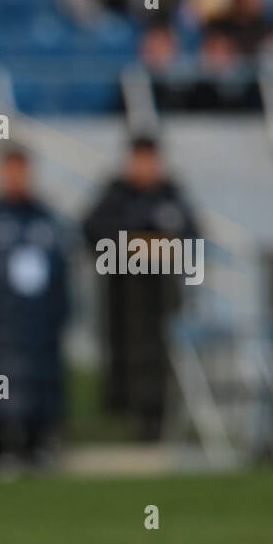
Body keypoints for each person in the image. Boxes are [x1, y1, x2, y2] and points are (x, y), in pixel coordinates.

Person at [82, 135, 199, 441]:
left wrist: (137, 244)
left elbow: (190, 238)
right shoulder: (116, 194)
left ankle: (161, 422)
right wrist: (147, 244)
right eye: (139, 159)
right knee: (126, 360)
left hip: (162, 297)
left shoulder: (170, 194)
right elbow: (94, 232)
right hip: (124, 299)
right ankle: (126, 421)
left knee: (163, 357)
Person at [0, 149, 71, 466]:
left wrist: (60, 310)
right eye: (9, 170)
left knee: (40, 380)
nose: (15, 178)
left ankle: (38, 443)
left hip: (38, 322)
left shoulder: (44, 219)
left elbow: (62, 270)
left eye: (20, 170)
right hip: (2, 322)